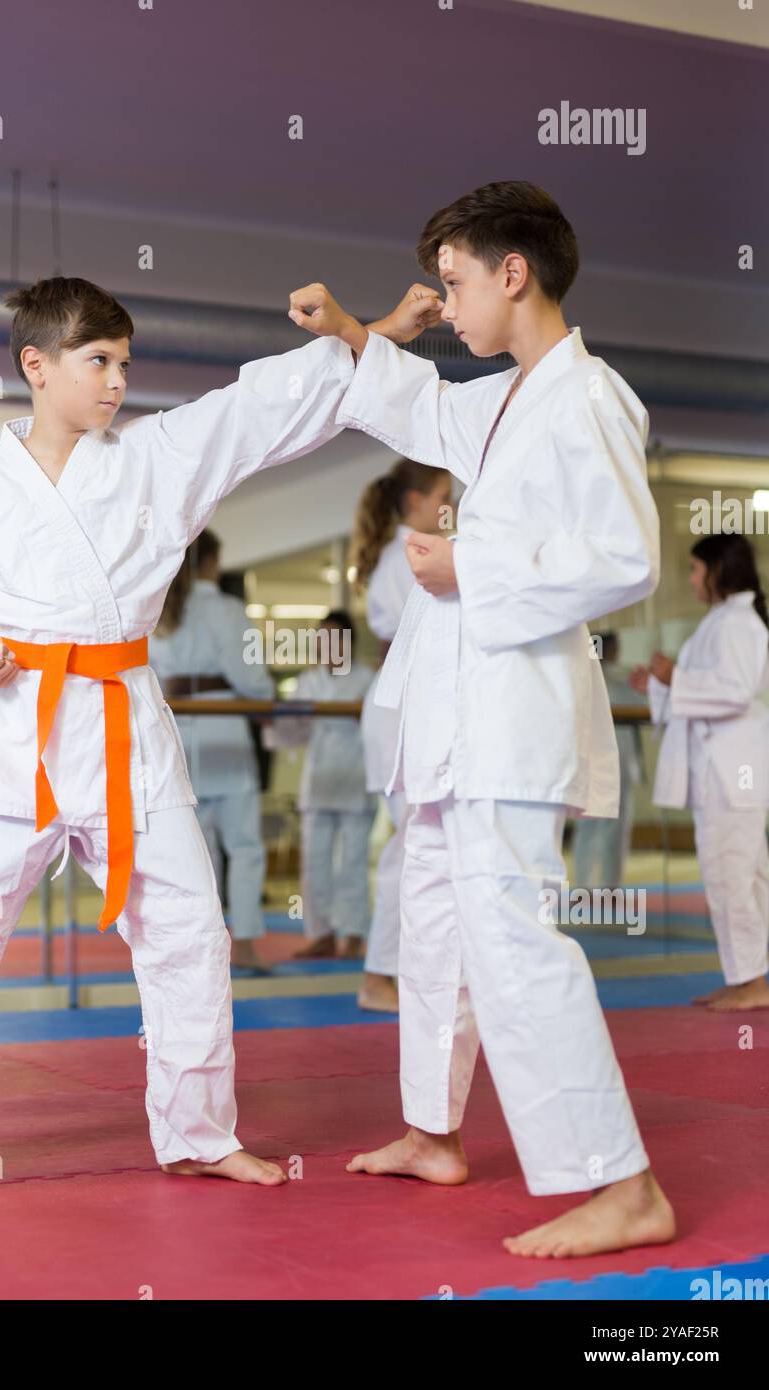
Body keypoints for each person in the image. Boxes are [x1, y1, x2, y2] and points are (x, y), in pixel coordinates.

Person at [0, 274, 360, 1199]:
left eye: (125, 365)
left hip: (126, 726)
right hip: (14, 730)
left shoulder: (151, 461)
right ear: (36, 365)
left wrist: (360, 339)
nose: (116, 383)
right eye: (97, 361)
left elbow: (250, 412)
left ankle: (199, 1130)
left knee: (188, 932)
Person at [287, 180, 676, 1258]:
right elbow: (417, 405)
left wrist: (472, 564)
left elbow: (624, 558)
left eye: (456, 284)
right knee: (436, 921)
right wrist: (362, 333)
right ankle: (431, 1127)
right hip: (461, 720)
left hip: (516, 719)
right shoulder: (505, 397)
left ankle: (620, 1180)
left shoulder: (584, 396)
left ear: (514, 273)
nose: (447, 306)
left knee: (510, 936)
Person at [631, 533, 769, 1011]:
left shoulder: (739, 624)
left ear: (719, 571)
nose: (690, 580)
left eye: (695, 570)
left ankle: (750, 980)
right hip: (727, 771)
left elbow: (734, 691)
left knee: (731, 875)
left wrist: (675, 679)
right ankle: (749, 976)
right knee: (742, 875)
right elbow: (711, 690)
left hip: (733, 773)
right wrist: (660, 684)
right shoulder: (722, 621)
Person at [148, 528, 274, 973]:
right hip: (225, 724)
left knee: (191, 848)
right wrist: (266, 701)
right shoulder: (226, 609)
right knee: (243, 844)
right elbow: (252, 677)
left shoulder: (159, 607)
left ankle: (201, 944)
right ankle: (246, 944)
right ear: (212, 562)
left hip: (177, 727)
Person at [351, 460, 452, 1011]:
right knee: (411, 843)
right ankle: (380, 975)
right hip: (403, 712)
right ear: (415, 500)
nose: (449, 504)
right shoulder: (407, 555)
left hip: (412, 706)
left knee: (425, 843)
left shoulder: (414, 552)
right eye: (443, 494)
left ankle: (411, 971)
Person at [262, 611, 377, 960]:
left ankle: (355, 934)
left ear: (349, 643)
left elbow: (381, 729)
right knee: (314, 863)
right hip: (319, 779)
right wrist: (273, 719)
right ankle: (321, 933)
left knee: (353, 863)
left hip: (356, 777)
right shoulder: (308, 682)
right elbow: (292, 732)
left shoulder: (368, 679)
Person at [572, 631, 645, 890]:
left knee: (588, 826)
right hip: (616, 765)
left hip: (591, 763)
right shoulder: (618, 680)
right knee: (613, 828)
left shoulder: (581, 678)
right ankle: (609, 886)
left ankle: (584, 885)